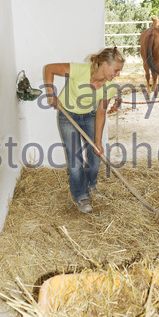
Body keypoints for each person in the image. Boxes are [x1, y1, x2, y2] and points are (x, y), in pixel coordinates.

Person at [44, 47, 125, 213]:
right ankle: (81, 196)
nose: (117, 75)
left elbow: (101, 113)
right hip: (67, 116)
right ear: (104, 64)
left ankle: (90, 185)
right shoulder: (80, 70)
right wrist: (51, 93)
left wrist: (97, 141)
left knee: (96, 156)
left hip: (89, 116)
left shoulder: (110, 87)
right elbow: (50, 68)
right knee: (75, 159)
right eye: (116, 70)